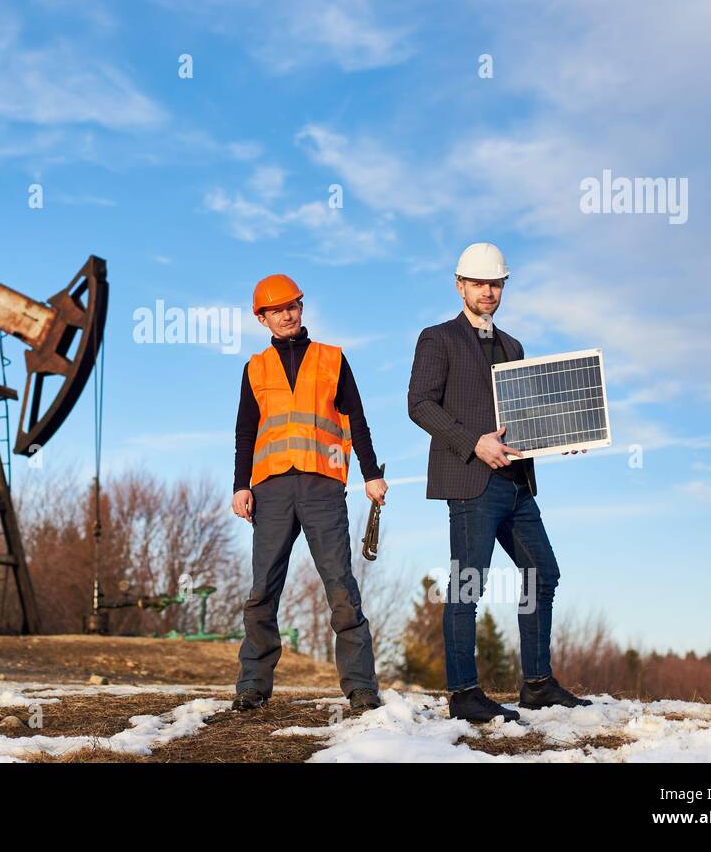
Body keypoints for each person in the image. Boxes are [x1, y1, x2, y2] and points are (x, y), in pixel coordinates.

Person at [406, 243, 593, 723]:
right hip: (472, 481)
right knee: (468, 584)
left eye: (496, 284)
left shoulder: (513, 347)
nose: (488, 291)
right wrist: (474, 443)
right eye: (479, 283)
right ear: (460, 285)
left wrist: (562, 434)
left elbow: (525, 415)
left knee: (541, 574)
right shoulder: (437, 338)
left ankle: (536, 684)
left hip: (517, 485)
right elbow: (420, 404)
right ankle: (464, 694)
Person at [231, 273, 387, 712]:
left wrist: (371, 474)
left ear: (301, 308)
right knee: (263, 589)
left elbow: (357, 419)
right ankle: (253, 686)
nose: (286, 314)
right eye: (276, 310)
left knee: (340, 585)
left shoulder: (333, 359)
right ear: (261, 318)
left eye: (292, 306)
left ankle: (360, 686)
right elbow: (246, 432)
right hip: (271, 489)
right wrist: (240, 485)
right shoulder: (255, 368)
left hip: (322, 484)